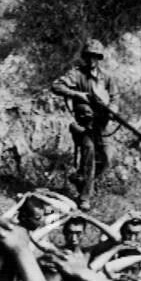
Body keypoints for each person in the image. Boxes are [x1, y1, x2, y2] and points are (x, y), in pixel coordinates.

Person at [50, 39, 114, 206]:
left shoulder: (106, 77)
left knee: (107, 159)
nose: (92, 60)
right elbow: (56, 86)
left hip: (102, 125)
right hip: (84, 125)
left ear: (100, 58)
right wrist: (78, 95)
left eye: (96, 57)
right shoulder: (76, 74)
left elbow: (115, 97)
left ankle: (82, 178)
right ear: (85, 57)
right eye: (89, 56)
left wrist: (113, 109)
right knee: (89, 154)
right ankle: (84, 197)